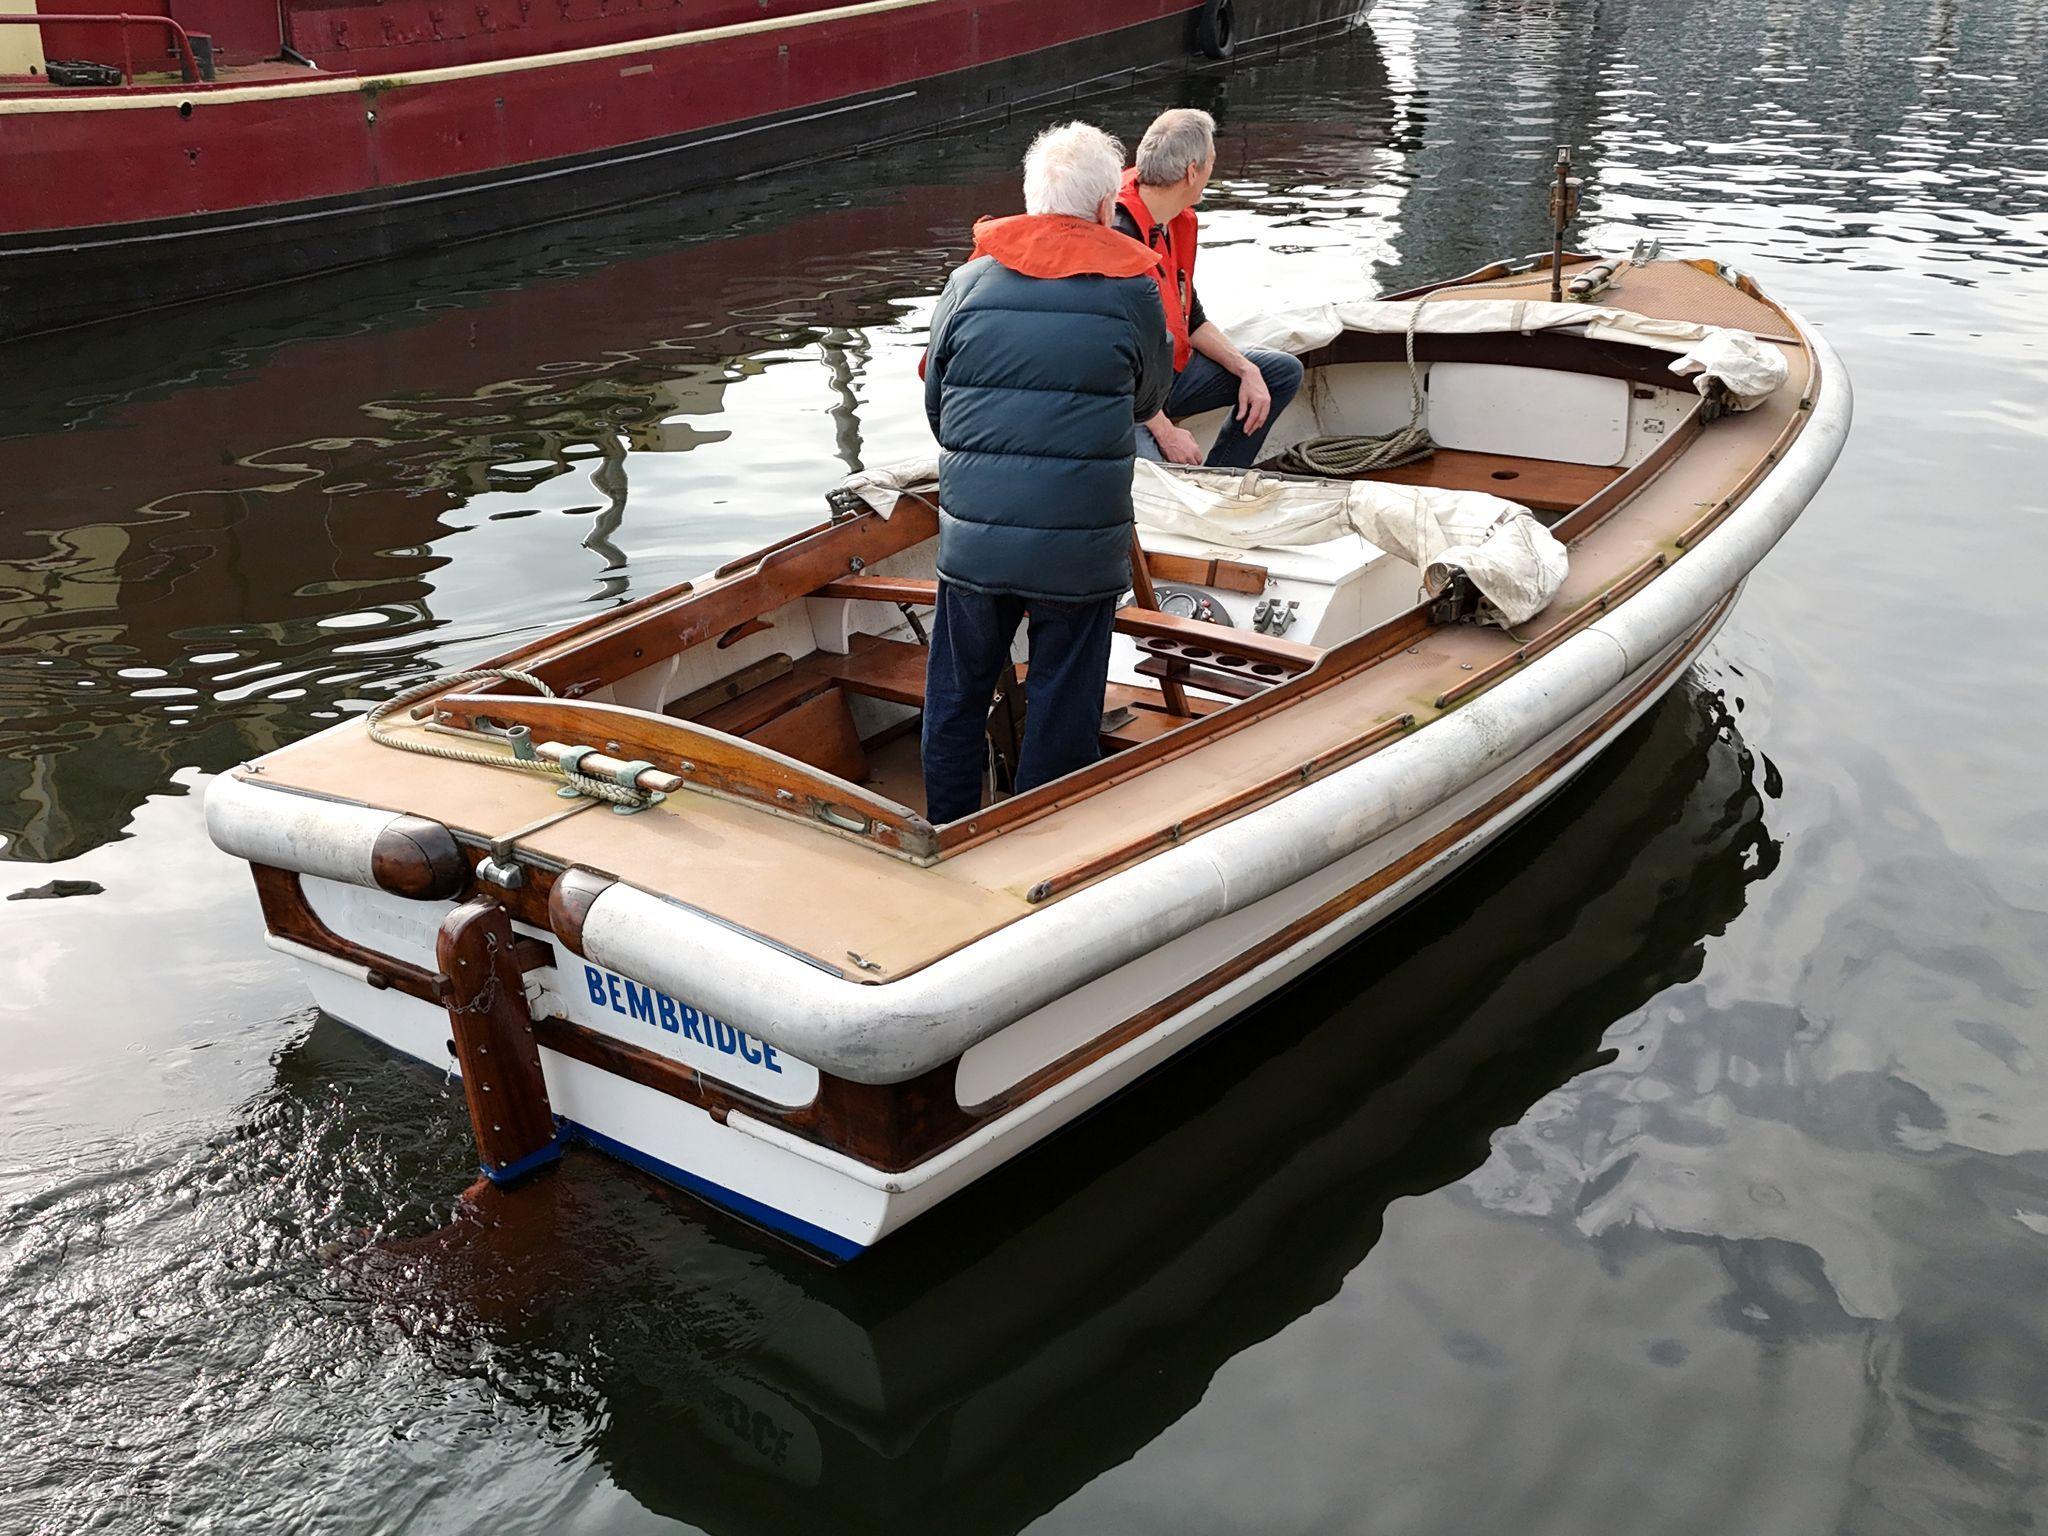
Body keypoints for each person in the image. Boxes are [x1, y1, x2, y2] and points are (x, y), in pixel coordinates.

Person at [918, 121, 1174, 826]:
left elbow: (938, 409)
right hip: (1078, 546)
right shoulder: (1132, 291)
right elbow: (1150, 401)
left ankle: (947, 828)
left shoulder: (966, 282)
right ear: (1102, 211)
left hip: (976, 542)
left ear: (1029, 202)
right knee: (1063, 702)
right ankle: (1032, 845)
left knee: (957, 696)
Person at [1113, 107, 1304, 469]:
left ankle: (1221, 478)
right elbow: (1110, 363)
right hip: (1130, 400)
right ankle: (1187, 489)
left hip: (1169, 378)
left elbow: (1192, 319)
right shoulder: (1120, 235)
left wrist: (1247, 370)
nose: (1212, 173)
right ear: (1191, 172)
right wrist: (1166, 433)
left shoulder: (1172, 222)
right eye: (1212, 163)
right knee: (1163, 481)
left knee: (1280, 373)